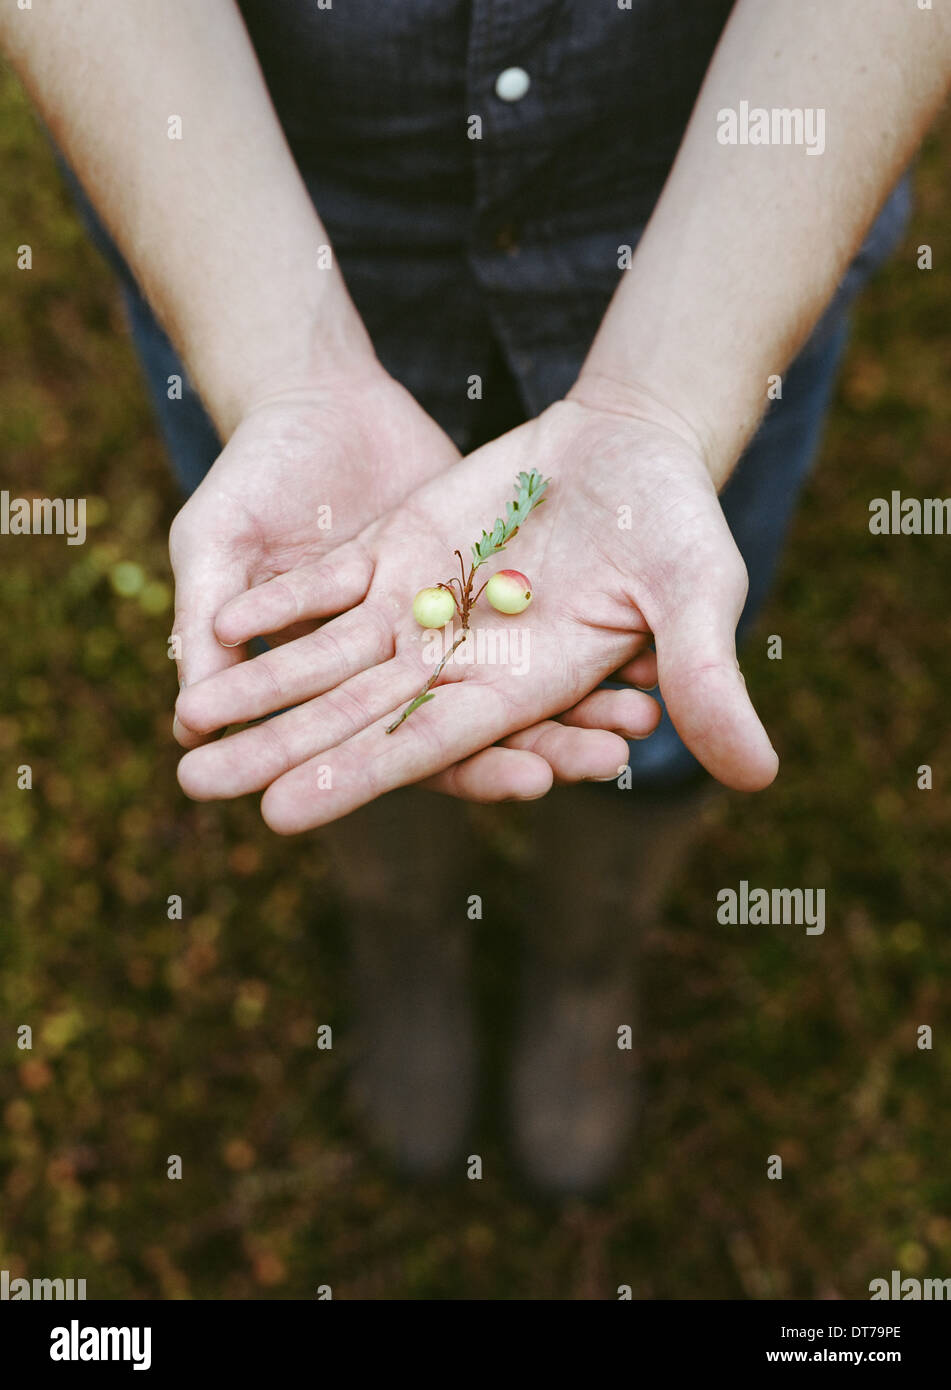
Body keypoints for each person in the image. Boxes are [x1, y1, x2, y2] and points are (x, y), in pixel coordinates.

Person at [3, 1, 947, 1195]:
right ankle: (405, 935)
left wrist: (662, 402)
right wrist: (287, 370)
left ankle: (587, 963)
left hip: (718, 217)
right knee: (336, 667)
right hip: (254, 203)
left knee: (647, 679)